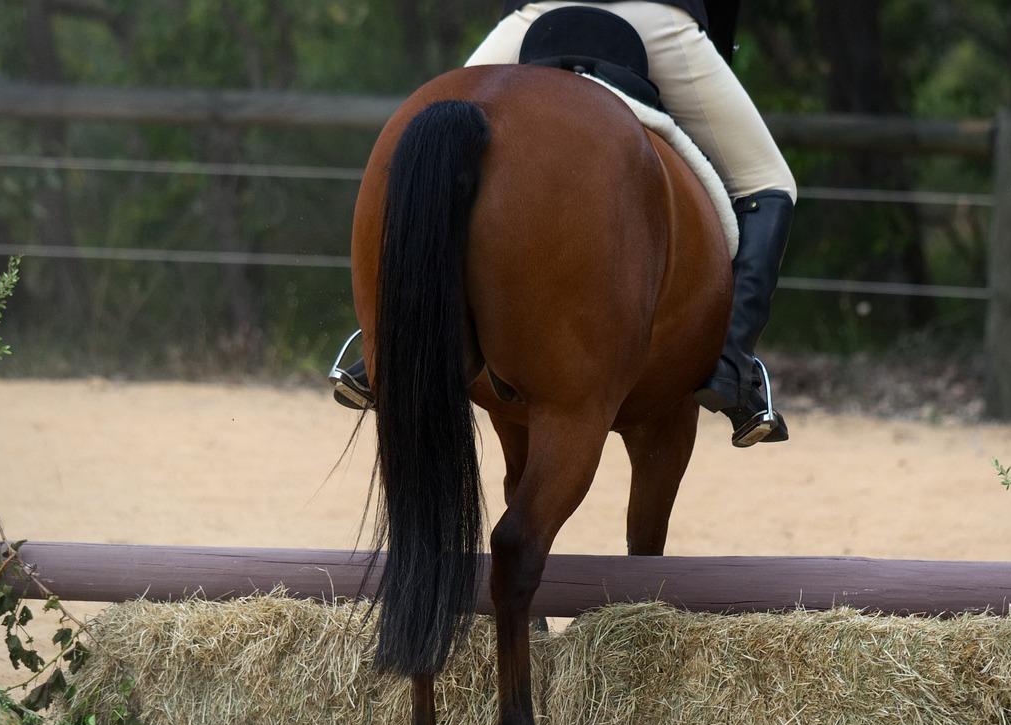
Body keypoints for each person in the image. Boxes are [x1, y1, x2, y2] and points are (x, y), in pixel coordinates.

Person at [329, 1, 796, 447]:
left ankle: (385, 348)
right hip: (659, 19)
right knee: (768, 182)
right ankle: (733, 366)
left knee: (426, 151)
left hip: (538, 12)